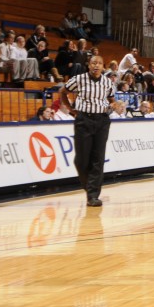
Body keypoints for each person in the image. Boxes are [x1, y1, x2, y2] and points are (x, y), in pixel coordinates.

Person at [59, 55, 115, 207]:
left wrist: (114, 104)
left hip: (102, 120)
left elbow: (111, 98)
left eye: (99, 63)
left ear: (103, 66)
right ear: (89, 65)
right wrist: (71, 110)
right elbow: (63, 92)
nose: (96, 66)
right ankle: (89, 188)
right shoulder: (78, 79)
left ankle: (93, 195)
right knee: (81, 160)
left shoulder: (107, 82)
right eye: (93, 63)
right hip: (84, 120)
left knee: (98, 159)